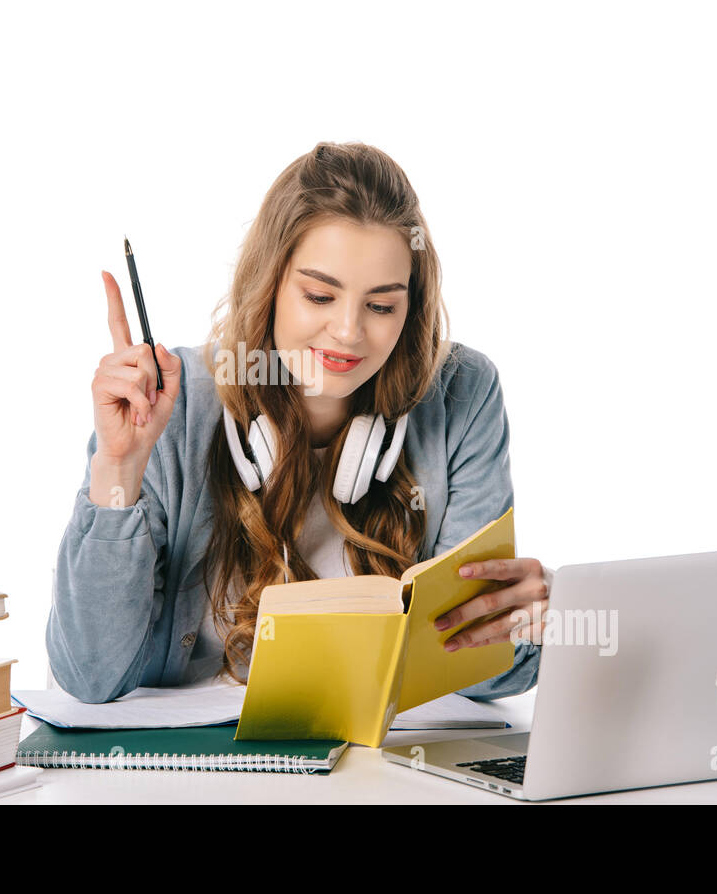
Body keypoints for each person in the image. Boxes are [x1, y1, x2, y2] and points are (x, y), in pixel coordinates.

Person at [47, 141, 551, 704]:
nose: (347, 331)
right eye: (319, 295)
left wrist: (522, 624)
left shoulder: (462, 393)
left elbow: (480, 672)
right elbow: (91, 676)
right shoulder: (173, 401)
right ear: (270, 283)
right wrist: (118, 469)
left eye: (381, 306)